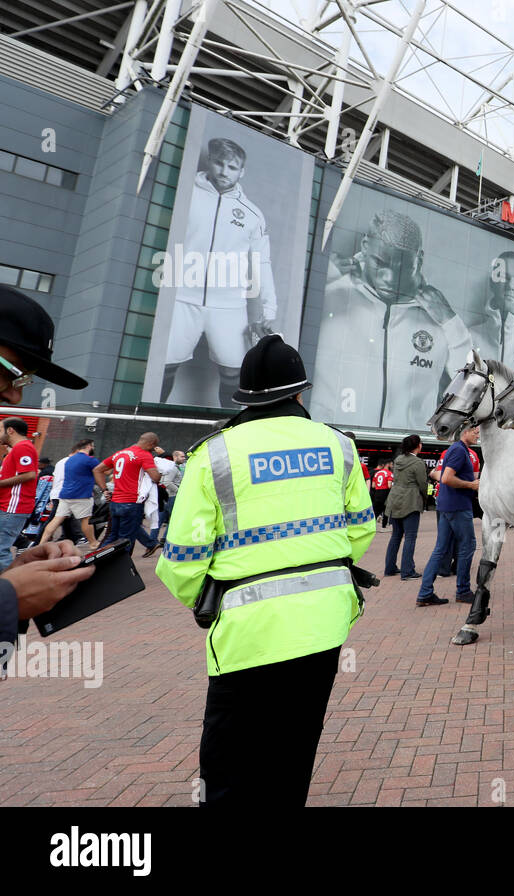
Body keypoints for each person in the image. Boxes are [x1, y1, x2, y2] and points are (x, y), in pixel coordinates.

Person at [156, 334, 374, 806]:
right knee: (293, 752)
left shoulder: (213, 454)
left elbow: (180, 562)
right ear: (300, 393)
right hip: (323, 624)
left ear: (244, 395)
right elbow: (361, 531)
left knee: (229, 766)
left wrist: (207, 598)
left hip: (247, 632)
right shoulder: (339, 446)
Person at [0, 285, 95, 661]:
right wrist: (8, 598)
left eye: (25, 381)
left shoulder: (23, 448)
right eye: (12, 373)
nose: (15, 396)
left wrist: (15, 579)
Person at [310, 210, 472, 429]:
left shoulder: (438, 316)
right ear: (365, 245)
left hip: (408, 446)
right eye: (380, 262)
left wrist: (452, 323)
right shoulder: (331, 294)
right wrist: (322, 275)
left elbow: (471, 384)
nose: (390, 277)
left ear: (419, 259)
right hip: (329, 440)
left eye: (403, 267)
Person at [161, 138, 278, 408]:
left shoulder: (252, 214)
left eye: (233, 167)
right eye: (219, 163)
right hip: (181, 297)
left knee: (233, 371)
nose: (225, 171)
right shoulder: (184, 193)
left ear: (241, 172)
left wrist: (269, 310)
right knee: (167, 365)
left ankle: (230, 431)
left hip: (229, 305)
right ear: (210, 162)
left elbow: (261, 262)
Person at [416, 424, 480, 606]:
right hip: (458, 506)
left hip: (446, 504)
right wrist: (472, 485)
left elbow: (440, 475)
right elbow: (446, 478)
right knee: (467, 546)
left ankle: (425, 592)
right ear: (464, 431)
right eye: (475, 432)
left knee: (441, 549)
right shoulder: (460, 451)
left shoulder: (455, 450)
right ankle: (463, 590)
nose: (478, 435)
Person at [94, 432, 163, 558]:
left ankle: (96, 562)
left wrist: (104, 490)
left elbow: (97, 469)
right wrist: (161, 471)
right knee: (126, 540)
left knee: (112, 536)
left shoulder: (120, 453)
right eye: (153, 447)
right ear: (151, 444)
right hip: (131, 502)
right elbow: (155, 477)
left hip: (115, 501)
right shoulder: (144, 455)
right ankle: (121, 569)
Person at [39, 440, 98, 548]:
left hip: (62, 494)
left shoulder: (63, 461)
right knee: (85, 519)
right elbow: (100, 471)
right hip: (79, 494)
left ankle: (42, 543)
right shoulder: (85, 460)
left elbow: (55, 478)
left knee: (57, 519)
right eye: (92, 446)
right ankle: (91, 542)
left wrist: (52, 496)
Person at [384, 435, 427, 579]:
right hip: (410, 501)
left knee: (395, 536)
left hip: (395, 498)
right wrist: (425, 497)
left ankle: (390, 568)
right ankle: (407, 571)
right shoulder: (418, 463)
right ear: (418, 446)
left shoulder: (398, 460)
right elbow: (422, 484)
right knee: (410, 537)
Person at [0, 417, 40, 572]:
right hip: (9, 506)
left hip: (12, 507)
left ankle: (9, 585)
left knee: (1, 550)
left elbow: (29, 474)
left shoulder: (22, 447)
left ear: (10, 430)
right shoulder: (19, 448)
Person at [370, 457, 393, 528]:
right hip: (385, 493)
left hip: (377, 493)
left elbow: (373, 485)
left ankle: (372, 525)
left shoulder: (377, 473)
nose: (392, 466)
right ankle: (384, 525)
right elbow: (389, 486)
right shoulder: (389, 473)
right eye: (392, 464)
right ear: (388, 465)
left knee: (375, 510)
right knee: (386, 510)